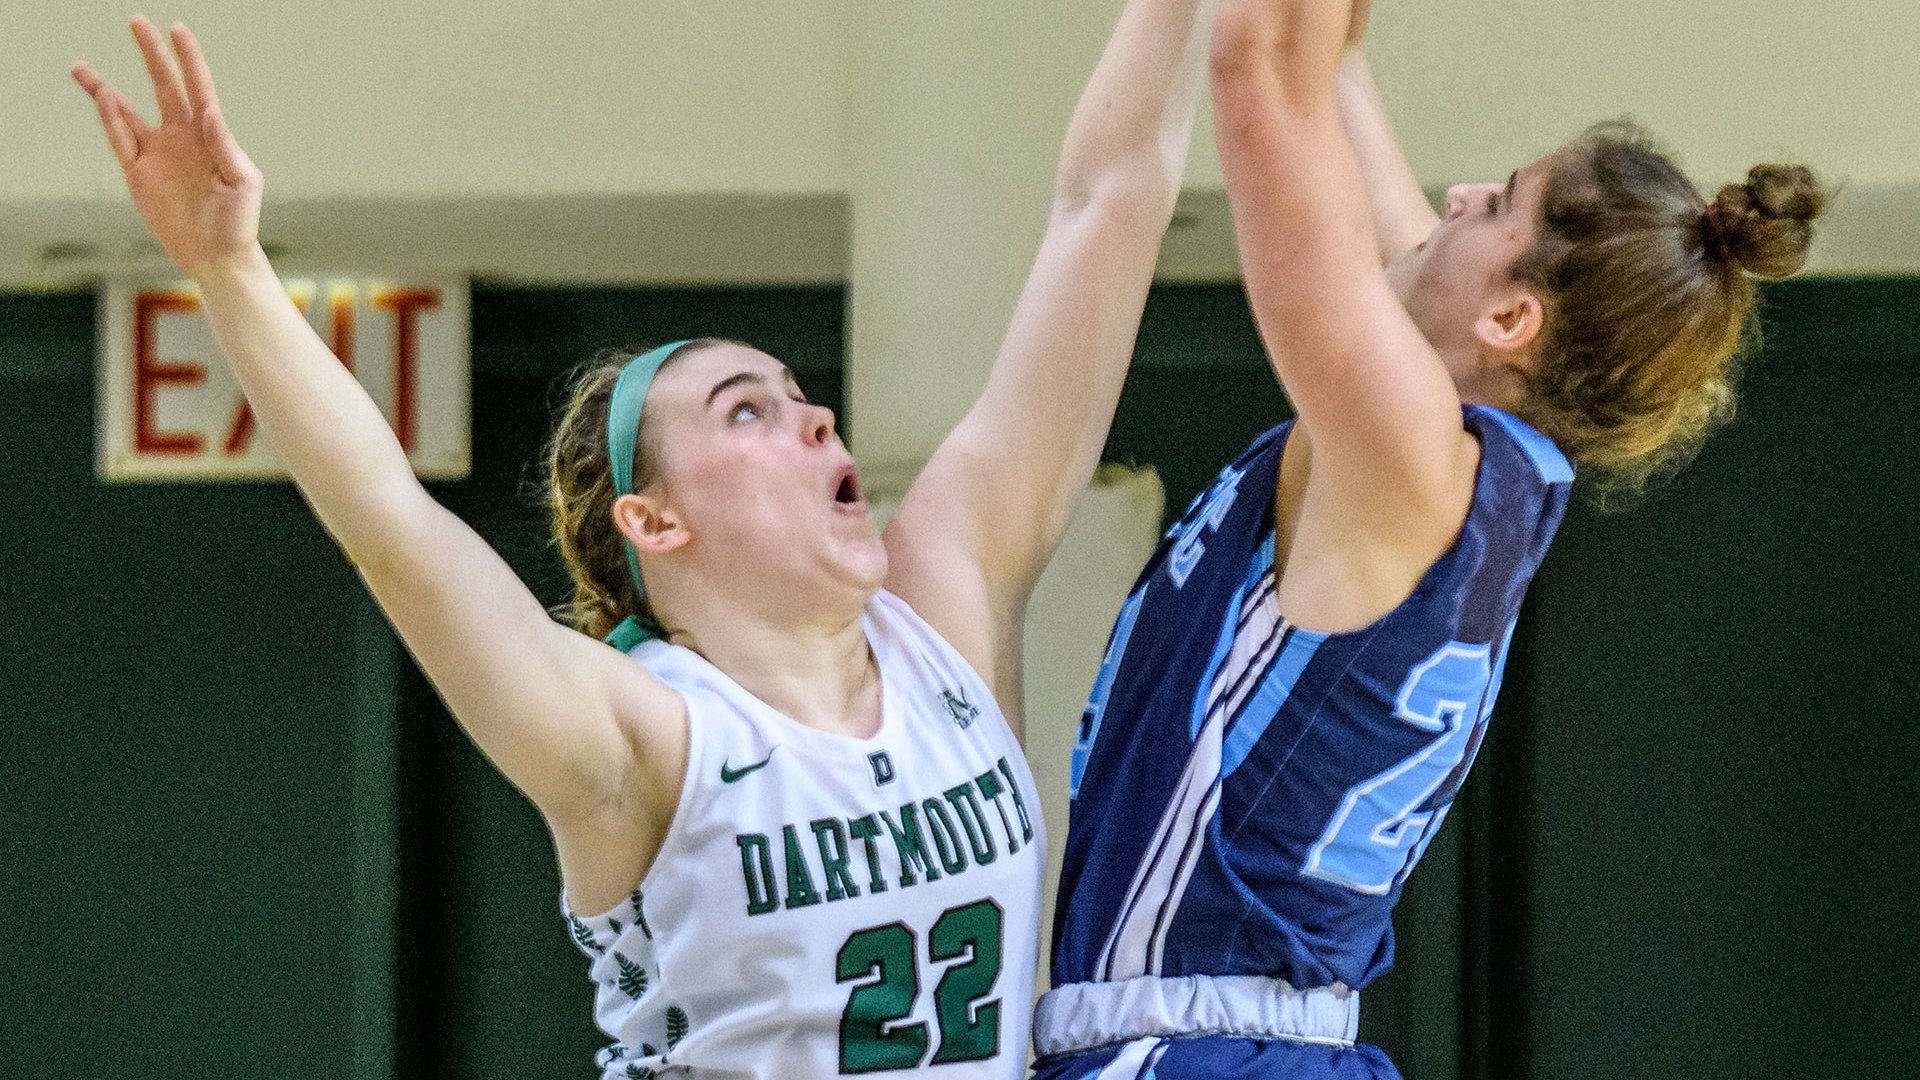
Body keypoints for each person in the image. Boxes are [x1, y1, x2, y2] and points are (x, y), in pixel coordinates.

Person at [71, 2, 1216, 1075]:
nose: (815, 414)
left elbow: (1104, 208)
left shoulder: (945, 615)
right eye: (746, 410)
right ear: (653, 520)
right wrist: (227, 269)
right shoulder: (648, 734)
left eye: (796, 390)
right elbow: (394, 528)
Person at [1033, 0, 1824, 1077]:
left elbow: (1260, 60)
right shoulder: (1469, 466)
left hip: (1205, 1048)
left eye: (1497, 202)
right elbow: (1339, 75)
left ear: (1512, 323)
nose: (1454, 198)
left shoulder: (1409, 460)